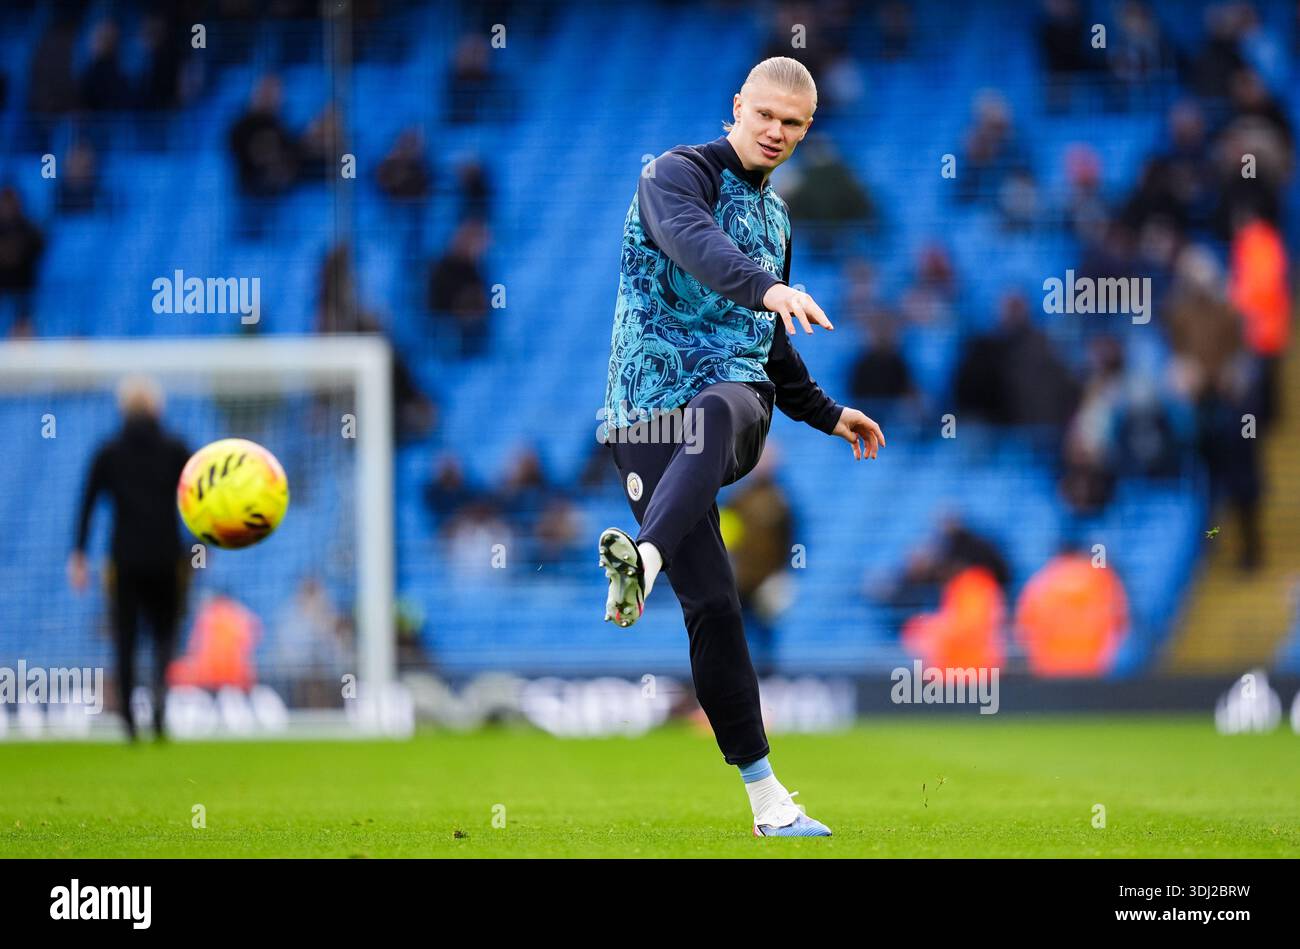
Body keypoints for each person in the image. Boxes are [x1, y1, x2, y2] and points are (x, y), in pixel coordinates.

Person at [597, 58, 885, 838]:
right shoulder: (673, 177)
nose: (776, 133)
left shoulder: (778, 221)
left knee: (722, 405)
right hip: (644, 419)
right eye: (765, 115)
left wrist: (829, 414)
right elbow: (694, 245)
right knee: (718, 607)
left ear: (805, 131)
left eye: (793, 125)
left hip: (729, 405)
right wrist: (766, 287)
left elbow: (769, 349)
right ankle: (768, 804)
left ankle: (642, 559)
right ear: (736, 107)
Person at [67, 377, 191, 740]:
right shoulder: (175, 447)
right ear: (156, 407)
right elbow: (202, 496)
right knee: (165, 634)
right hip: (168, 557)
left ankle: (127, 720)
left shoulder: (109, 451)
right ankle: (159, 706)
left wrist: (78, 554)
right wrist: (204, 544)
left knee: (125, 636)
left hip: (124, 559)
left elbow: (87, 503)